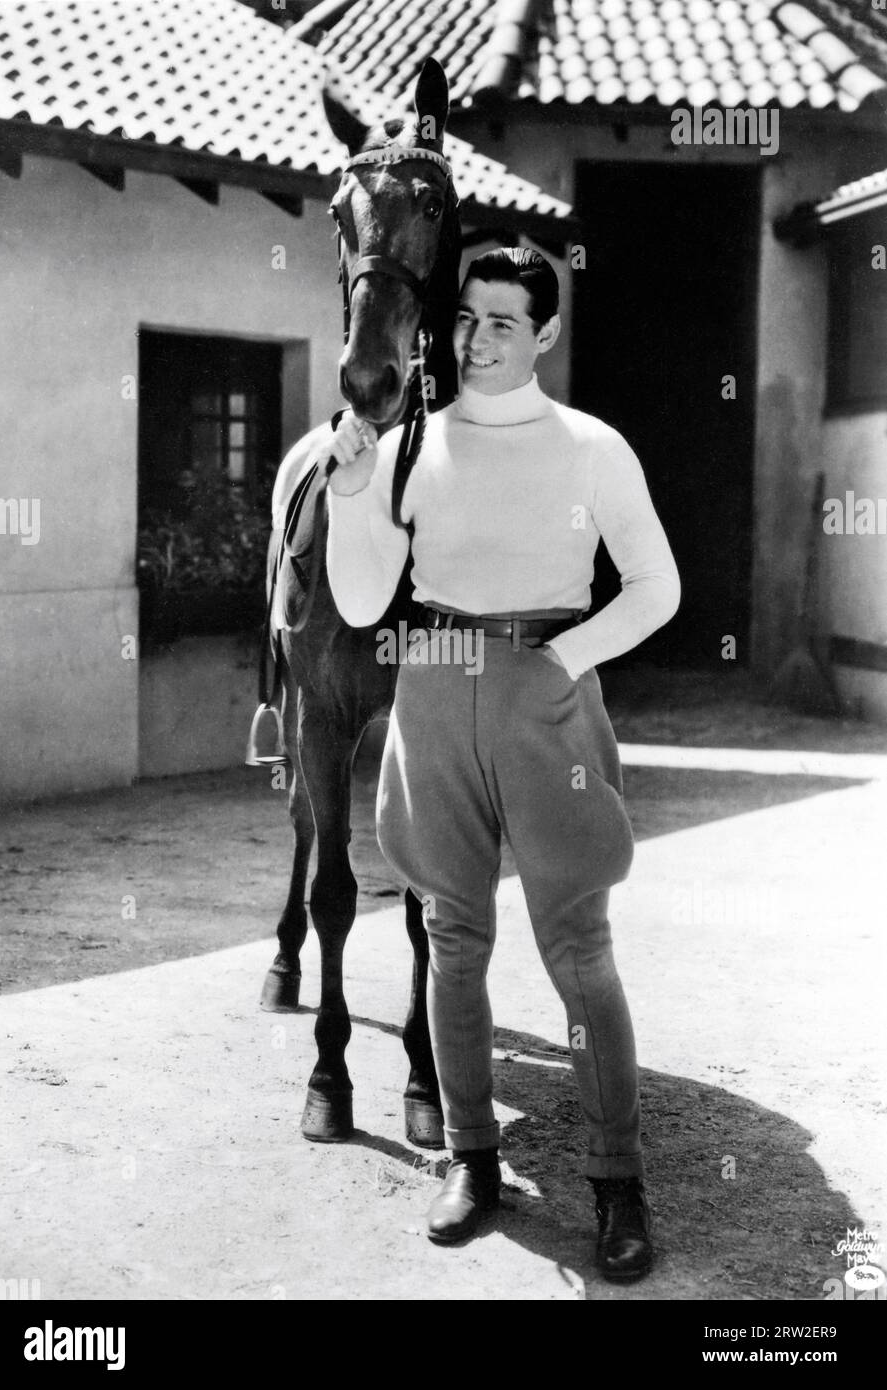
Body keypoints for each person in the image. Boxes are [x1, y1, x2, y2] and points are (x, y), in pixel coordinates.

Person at [321, 247, 680, 1281]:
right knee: (452, 936)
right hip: (431, 691)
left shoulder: (592, 448)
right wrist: (350, 494)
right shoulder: (409, 446)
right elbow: (357, 601)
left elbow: (654, 586)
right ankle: (472, 1161)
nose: (476, 340)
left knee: (579, 950)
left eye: (503, 323)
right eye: (467, 319)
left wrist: (562, 660)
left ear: (546, 334)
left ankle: (618, 1185)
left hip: (544, 697)